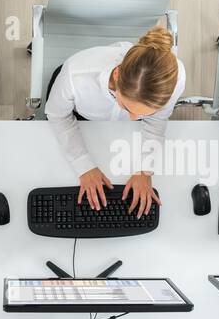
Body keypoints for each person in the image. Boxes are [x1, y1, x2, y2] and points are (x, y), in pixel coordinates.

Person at [44, 26, 185, 218]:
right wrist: (84, 166)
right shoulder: (75, 75)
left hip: (113, 128)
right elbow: (58, 115)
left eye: (143, 114)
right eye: (128, 108)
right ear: (117, 75)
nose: (134, 119)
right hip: (78, 110)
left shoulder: (172, 80)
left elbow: (156, 122)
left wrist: (145, 171)